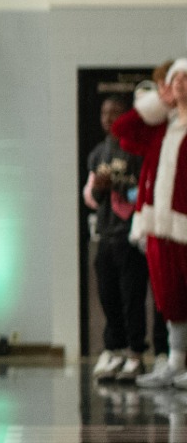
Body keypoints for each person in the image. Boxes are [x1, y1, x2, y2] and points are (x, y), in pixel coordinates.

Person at [119, 64, 187, 390]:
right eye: (177, 79)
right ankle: (174, 363)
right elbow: (124, 129)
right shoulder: (162, 127)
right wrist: (160, 102)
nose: (181, 85)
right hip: (160, 227)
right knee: (169, 298)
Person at [86, 94, 150, 381]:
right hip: (105, 233)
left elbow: (144, 193)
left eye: (115, 113)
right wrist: (100, 188)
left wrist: (122, 189)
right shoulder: (99, 153)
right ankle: (115, 349)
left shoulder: (137, 151)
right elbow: (94, 197)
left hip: (130, 235)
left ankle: (137, 353)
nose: (109, 119)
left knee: (131, 297)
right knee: (107, 295)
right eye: (104, 113)